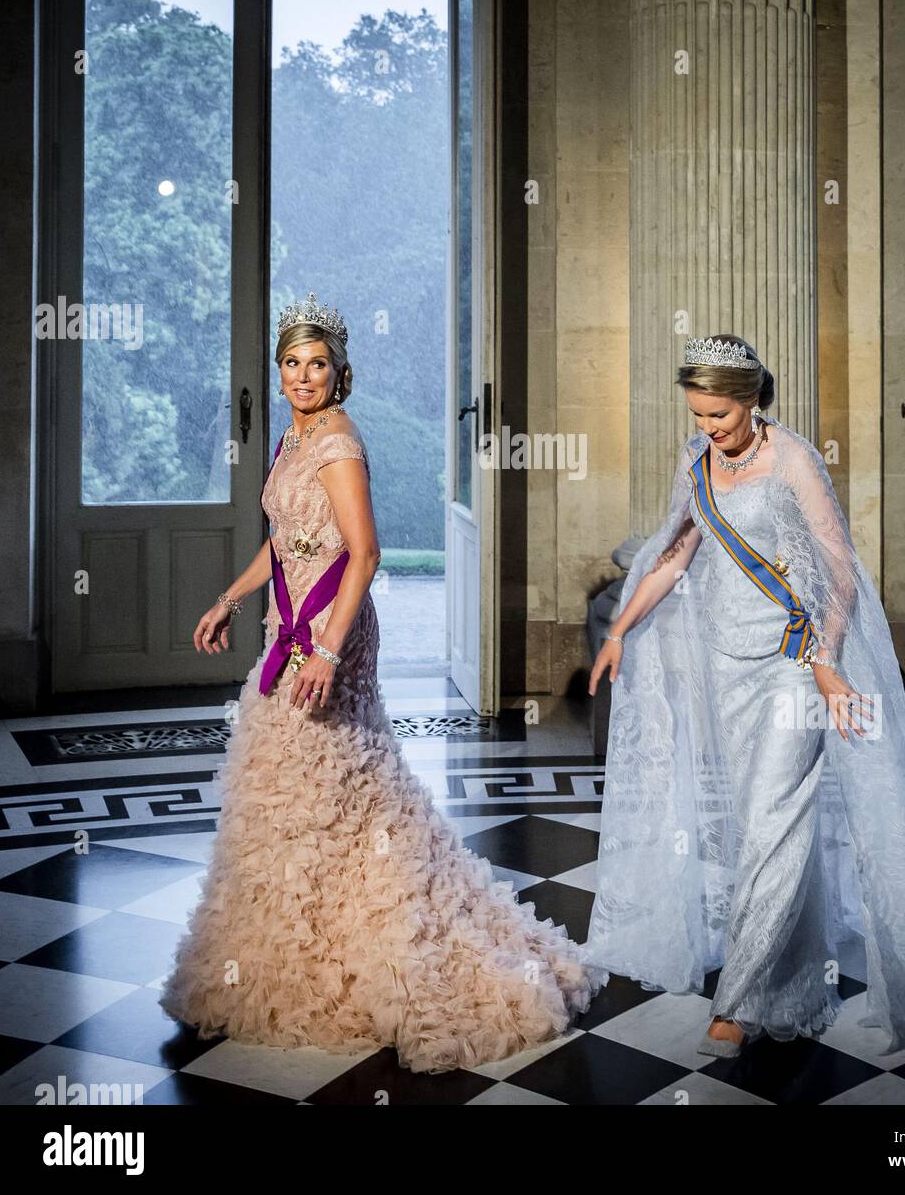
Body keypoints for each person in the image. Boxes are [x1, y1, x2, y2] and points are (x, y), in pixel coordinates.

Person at [160, 292, 602, 1073]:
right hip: (286, 629)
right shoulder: (293, 442)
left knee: (333, 779)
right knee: (283, 782)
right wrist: (229, 598)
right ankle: (282, 951)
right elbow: (286, 543)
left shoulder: (339, 445)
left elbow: (362, 555)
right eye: (293, 364)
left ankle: (372, 946)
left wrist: (328, 653)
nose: (304, 377)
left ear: (340, 372)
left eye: (318, 365)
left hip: (335, 632)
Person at [584, 332, 905, 1058]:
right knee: (763, 829)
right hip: (730, 668)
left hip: (796, 661)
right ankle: (790, 987)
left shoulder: (792, 458)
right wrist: (620, 631)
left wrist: (825, 663)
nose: (707, 431)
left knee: (770, 823)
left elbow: (839, 570)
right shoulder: (699, 461)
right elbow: (673, 555)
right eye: (697, 417)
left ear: (752, 400)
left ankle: (734, 1005)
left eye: (719, 417)